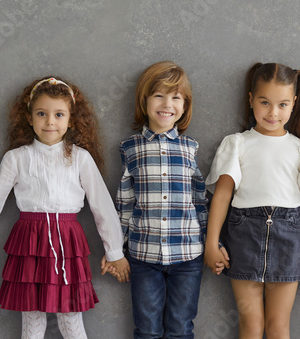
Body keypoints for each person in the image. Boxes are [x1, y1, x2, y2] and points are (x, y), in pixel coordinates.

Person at [0, 76, 129, 339]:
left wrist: (115, 251)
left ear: (70, 119)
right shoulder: (16, 158)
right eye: (41, 113)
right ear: (29, 117)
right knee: (32, 319)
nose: (50, 121)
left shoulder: (81, 158)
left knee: (71, 319)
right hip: (29, 244)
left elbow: (102, 206)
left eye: (59, 114)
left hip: (67, 243)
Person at [204, 63, 300, 339]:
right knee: (250, 326)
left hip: (289, 237)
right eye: (264, 102)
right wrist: (212, 243)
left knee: (278, 327)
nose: (273, 112)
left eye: (282, 104)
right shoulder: (236, 143)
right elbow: (222, 196)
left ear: (294, 104)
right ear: (251, 99)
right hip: (243, 235)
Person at [115, 61, 209, 339]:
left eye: (176, 97)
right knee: (147, 329)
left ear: (185, 105)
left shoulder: (190, 147)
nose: (167, 103)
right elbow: (125, 202)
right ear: (144, 101)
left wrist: (211, 242)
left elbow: (200, 200)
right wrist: (116, 250)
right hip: (144, 255)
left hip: (188, 255)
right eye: (159, 95)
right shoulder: (130, 148)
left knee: (181, 327)